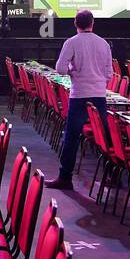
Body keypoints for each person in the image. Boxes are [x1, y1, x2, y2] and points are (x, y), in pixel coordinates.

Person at [47, 10, 114, 189]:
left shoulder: (71, 42)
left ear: (75, 24)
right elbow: (109, 73)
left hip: (79, 95)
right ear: (93, 23)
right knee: (105, 137)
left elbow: (60, 69)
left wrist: (73, 70)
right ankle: (112, 177)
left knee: (71, 137)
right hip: (99, 95)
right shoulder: (103, 43)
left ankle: (65, 177)